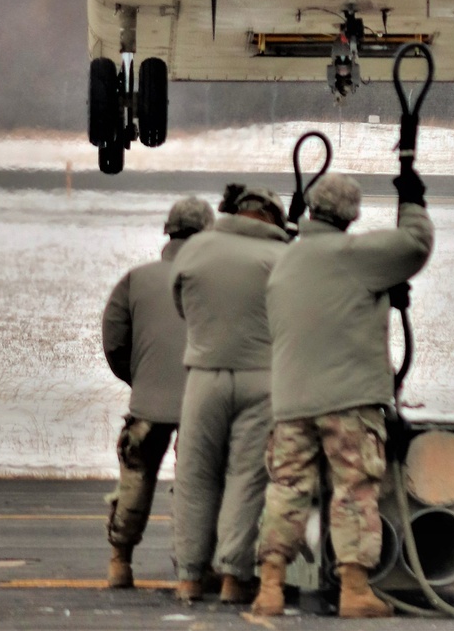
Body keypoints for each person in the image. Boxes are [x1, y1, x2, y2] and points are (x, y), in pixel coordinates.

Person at [253, 168, 434, 619]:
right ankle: (355, 591)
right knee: (354, 491)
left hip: (292, 400)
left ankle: (270, 587)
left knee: (286, 490)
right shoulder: (355, 254)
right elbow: (414, 245)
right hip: (348, 400)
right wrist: (412, 198)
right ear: (351, 215)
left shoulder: (286, 260)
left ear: (313, 209)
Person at [170, 184, 291, 605]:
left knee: (195, 474)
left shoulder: (196, 249)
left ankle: (188, 575)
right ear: (274, 217)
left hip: (204, 375)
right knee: (247, 476)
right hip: (264, 377)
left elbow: (182, 306)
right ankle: (234, 576)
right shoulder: (283, 258)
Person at [101, 195, 215, 589]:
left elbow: (115, 343)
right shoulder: (215, 281)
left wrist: (140, 378)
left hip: (147, 401)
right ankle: (193, 569)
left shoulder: (136, 278)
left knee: (135, 478)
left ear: (168, 233)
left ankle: (120, 561)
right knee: (196, 485)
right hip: (204, 401)